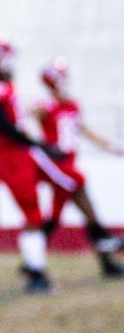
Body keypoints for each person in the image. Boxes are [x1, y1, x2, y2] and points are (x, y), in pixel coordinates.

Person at [0, 40, 120, 291]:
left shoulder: (11, 89)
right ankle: (37, 270)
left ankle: (94, 248)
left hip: (28, 153)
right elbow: (4, 124)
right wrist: (38, 142)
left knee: (67, 192)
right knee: (40, 213)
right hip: (14, 155)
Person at [33, 59, 124, 276]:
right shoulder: (45, 105)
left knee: (55, 217)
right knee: (86, 205)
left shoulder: (72, 105)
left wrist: (112, 146)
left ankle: (32, 260)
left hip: (69, 164)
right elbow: (28, 116)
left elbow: (85, 131)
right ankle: (105, 248)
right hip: (58, 165)